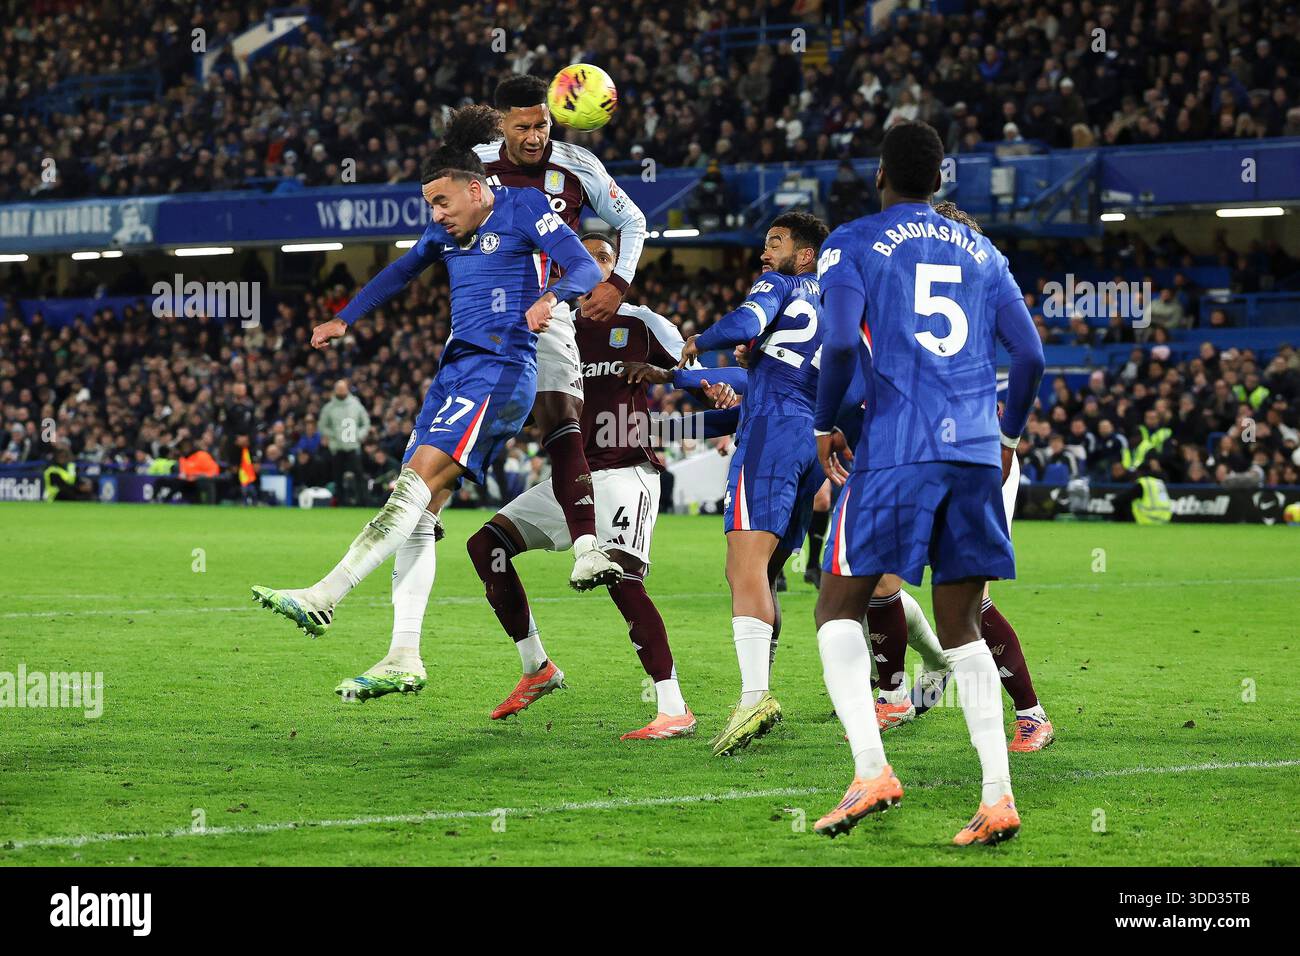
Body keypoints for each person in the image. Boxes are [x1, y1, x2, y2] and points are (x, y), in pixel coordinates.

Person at [250, 106, 603, 703]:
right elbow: (402, 271)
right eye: (430, 205)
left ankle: (325, 595)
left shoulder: (525, 208)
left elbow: (586, 267)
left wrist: (552, 297)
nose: (435, 215)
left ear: (476, 189)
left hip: (498, 370)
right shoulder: (448, 233)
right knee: (420, 514)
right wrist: (343, 318)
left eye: (441, 202)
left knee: (411, 486)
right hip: (455, 372)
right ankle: (403, 655)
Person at [809, 121, 1044, 845]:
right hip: (973, 451)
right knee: (962, 626)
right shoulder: (984, 251)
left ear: (881, 175)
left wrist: (825, 424)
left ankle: (872, 770)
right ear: (941, 179)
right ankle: (997, 796)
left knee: (837, 607)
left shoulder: (852, 239)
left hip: (897, 448)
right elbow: (1030, 356)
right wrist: (1007, 438)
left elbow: (840, 342)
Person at [460, 234, 737, 736]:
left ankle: (674, 708)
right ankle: (536, 667)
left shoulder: (642, 323)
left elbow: (694, 376)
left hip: (626, 472)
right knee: (486, 546)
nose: (592, 265)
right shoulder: (552, 326)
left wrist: (716, 395)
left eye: (603, 257)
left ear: (617, 270)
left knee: (623, 581)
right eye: (582, 256)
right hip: (572, 479)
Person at [473, 74, 649, 591]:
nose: (534, 138)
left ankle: (586, 548)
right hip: (484, 313)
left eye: (542, 125)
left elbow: (634, 221)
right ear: (500, 124)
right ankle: (425, 509)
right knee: (458, 425)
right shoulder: (475, 164)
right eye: (522, 127)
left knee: (562, 417)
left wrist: (617, 283)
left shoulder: (578, 164)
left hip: (549, 309)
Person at [677, 211, 831, 757]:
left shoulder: (779, 286)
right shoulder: (832, 303)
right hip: (810, 440)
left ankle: (753, 697)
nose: (765, 253)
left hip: (769, 436)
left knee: (742, 568)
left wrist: (698, 342)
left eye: (776, 243)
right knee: (763, 573)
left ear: (804, 255)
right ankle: (761, 688)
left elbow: (744, 323)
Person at [318, 380, 370, 504]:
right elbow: (322, 426)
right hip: (337, 447)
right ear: (335, 390)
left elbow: (366, 423)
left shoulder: (356, 405)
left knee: (359, 474)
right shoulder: (329, 408)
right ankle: (340, 502)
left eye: (343, 389)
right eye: (339, 389)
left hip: (353, 446)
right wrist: (334, 435)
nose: (341, 392)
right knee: (337, 476)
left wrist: (359, 435)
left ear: (347, 389)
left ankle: (363, 501)